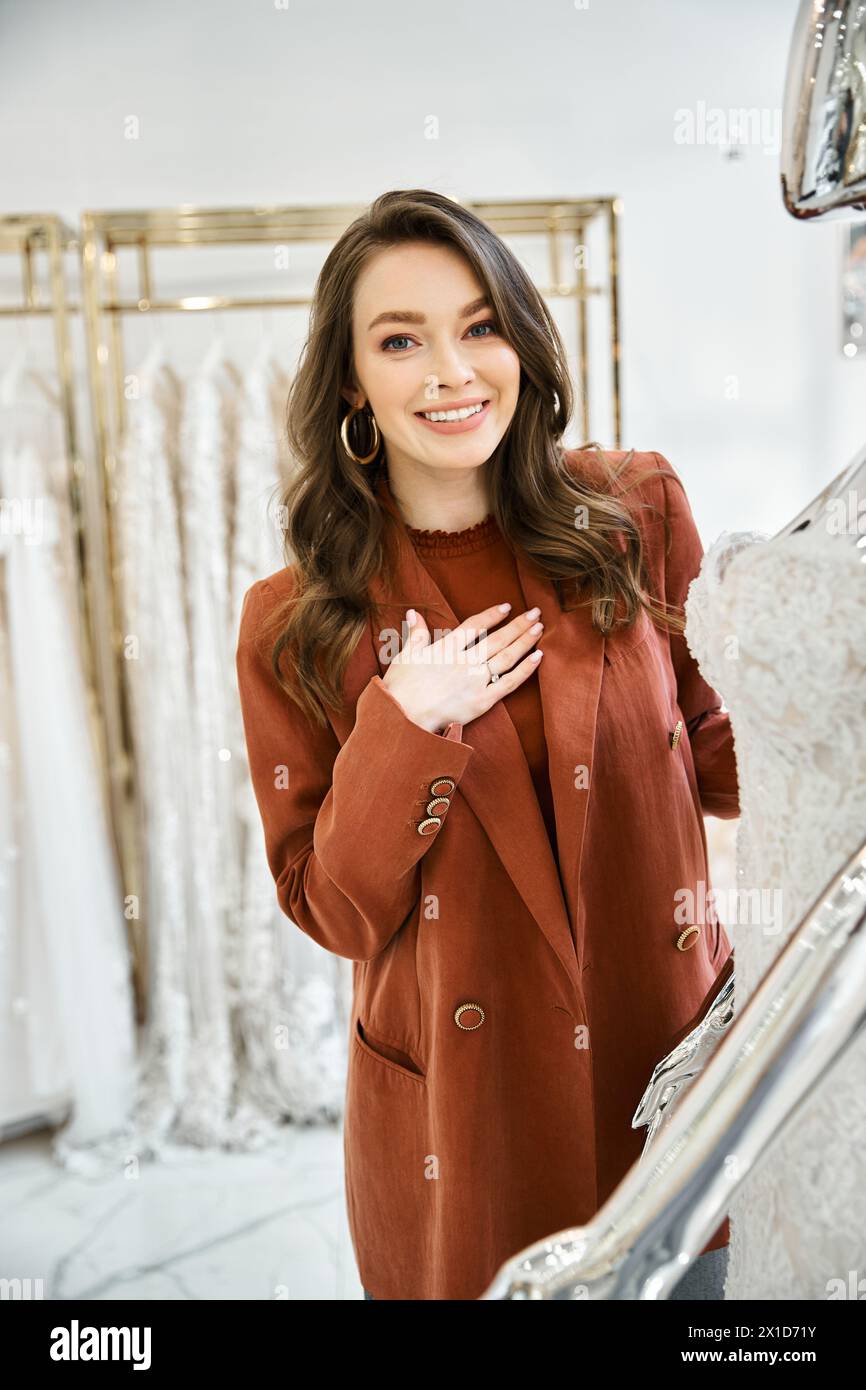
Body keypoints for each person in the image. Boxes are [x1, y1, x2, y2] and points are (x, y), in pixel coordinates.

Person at [235, 188, 739, 1301]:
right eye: (400, 340)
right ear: (352, 383)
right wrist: (401, 726)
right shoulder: (293, 619)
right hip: (461, 1119)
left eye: (478, 325)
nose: (451, 371)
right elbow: (328, 905)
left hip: (661, 1066)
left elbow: (719, 752)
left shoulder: (632, 511)